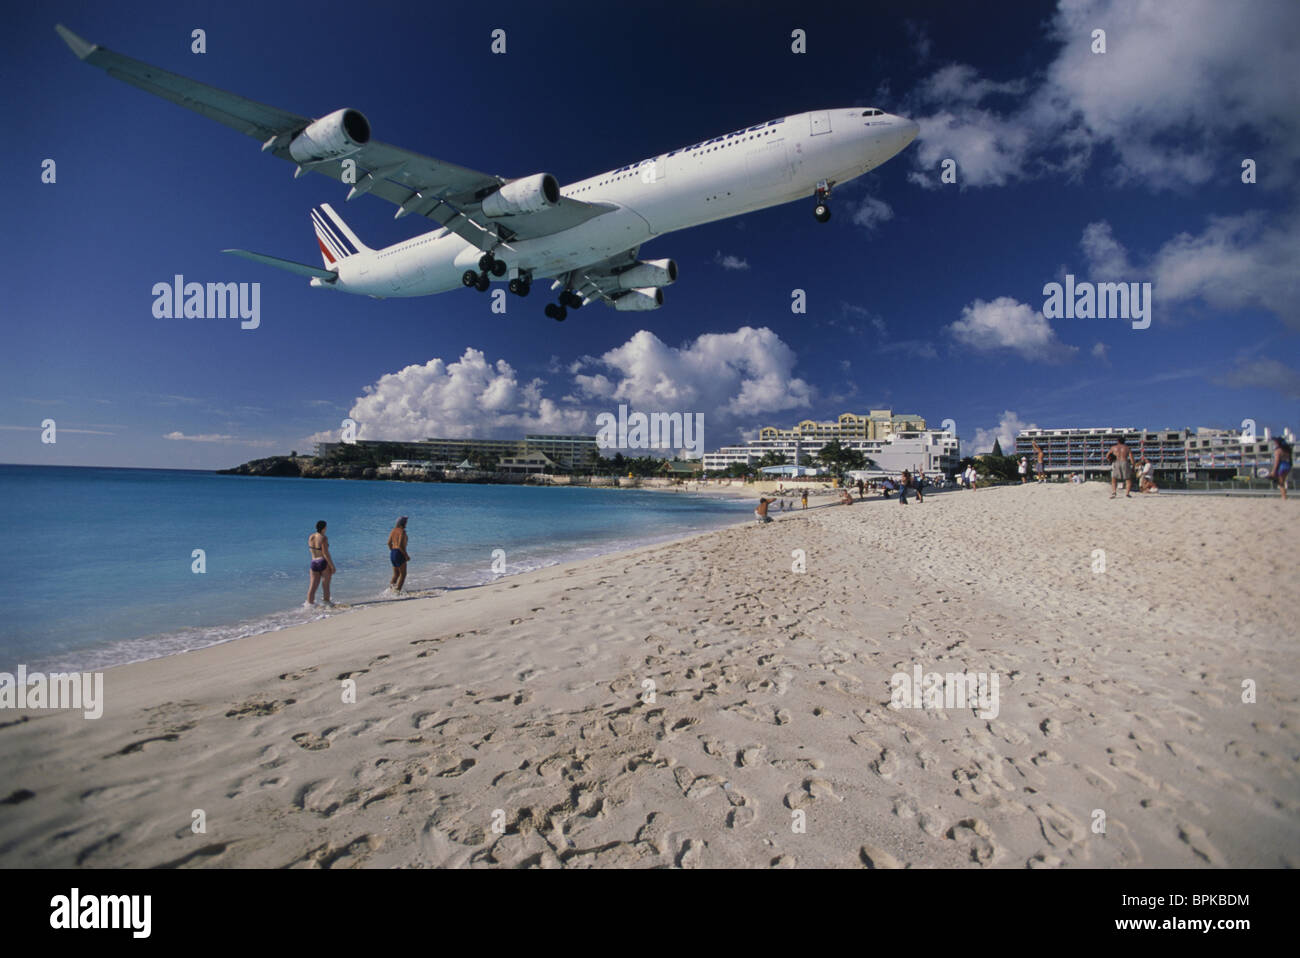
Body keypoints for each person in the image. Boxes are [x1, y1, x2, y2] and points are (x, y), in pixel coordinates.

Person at [307, 520, 335, 606]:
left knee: (312, 587)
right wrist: (332, 566)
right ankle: (327, 604)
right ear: (324, 528)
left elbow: (311, 549)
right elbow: (325, 553)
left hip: (314, 562)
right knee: (325, 585)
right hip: (322, 562)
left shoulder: (311, 537)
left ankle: (309, 606)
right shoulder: (323, 538)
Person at [387, 516, 410, 593]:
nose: (407, 523)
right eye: (406, 521)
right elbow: (400, 545)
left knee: (396, 574)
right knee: (403, 575)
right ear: (403, 523)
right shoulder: (402, 532)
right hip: (399, 553)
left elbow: (389, 543)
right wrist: (406, 555)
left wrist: (393, 551)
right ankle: (397, 592)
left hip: (393, 552)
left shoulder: (393, 530)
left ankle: (390, 591)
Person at [1269, 436, 1292, 500]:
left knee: (1280, 483)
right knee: (1282, 481)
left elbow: (1277, 462)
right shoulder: (1287, 450)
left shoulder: (1278, 451)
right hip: (1287, 465)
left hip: (1281, 466)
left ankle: (1284, 497)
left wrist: (1273, 471)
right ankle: (1284, 495)